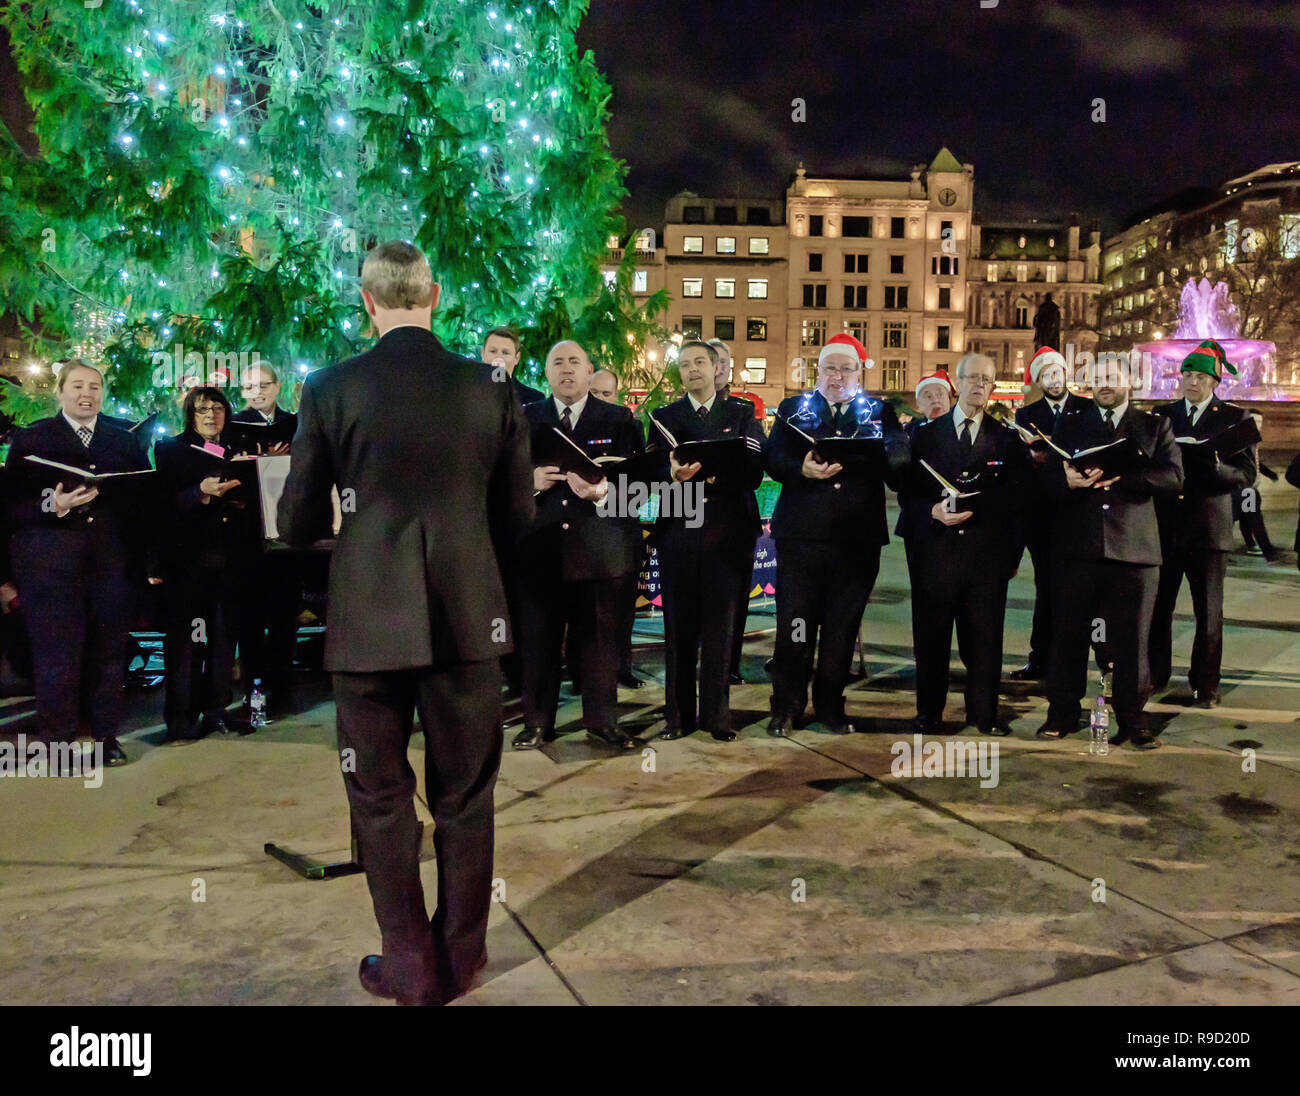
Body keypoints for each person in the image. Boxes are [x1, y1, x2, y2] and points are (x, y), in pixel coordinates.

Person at [278, 241, 534, 1007]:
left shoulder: (329, 388)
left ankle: (410, 964)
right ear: (436, 294)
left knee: (379, 797)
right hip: (467, 620)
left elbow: (293, 522)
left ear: (367, 302)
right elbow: (517, 517)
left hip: (366, 624)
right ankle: (463, 956)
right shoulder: (491, 386)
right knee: (468, 794)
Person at [3, 360, 151, 768]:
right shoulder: (33, 438)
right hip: (50, 567)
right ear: (60, 391)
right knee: (57, 656)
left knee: (108, 653)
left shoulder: (123, 439)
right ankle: (58, 741)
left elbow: (141, 506)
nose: (87, 394)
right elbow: (10, 506)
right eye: (78, 386)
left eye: (95, 387)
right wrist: (55, 504)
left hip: (109, 563)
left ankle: (106, 737)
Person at [764, 332, 909, 736]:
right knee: (794, 627)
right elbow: (774, 458)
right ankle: (787, 706)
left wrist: (899, 456)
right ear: (818, 371)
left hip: (856, 542)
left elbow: (896, 452)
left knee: (841, 629)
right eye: (830, 368)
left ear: (859, 374)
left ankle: (831, 705)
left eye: (847, 369)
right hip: (802, 539)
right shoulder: (795, 409)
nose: (838, 376)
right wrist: (800, 470)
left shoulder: (879, 412)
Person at [1035, 356, 1183, 749]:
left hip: (1134, 551)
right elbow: (1045, 485)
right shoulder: (1068, 425)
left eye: (1110, 378)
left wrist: (1126, 478)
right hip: (1076, 549)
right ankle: (1061, 713)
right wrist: (1064, 480)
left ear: (1129, 382)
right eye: (1096, 378)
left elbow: (1173, 476)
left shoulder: (1154, 425)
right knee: (1066, 636)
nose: (1103, 384)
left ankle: (1133, 721)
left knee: (1133, 642)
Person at [513, 341, 645, 751]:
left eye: (575, 362)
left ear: (590, 372)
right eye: (557, 362)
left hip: (599, 550)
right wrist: (527, 482)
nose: (566, 370)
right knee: (538, 641)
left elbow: (640, 492)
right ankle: (537, 722)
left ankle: (602, 721)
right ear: (546, 373)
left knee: (600, 642)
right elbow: (494, 478)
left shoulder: (620, 420)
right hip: (540, 548)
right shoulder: (523, 419)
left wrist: (602, 495)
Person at [899, 354, 1028, 736]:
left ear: (992, 386)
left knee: (985, 640)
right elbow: (906, 491)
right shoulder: (924, 434)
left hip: (985, 559)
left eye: (986, 380)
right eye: (972, 378)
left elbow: (1019, 503)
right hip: (934, 552)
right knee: (931, 637)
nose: (979, 385)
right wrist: (932, 512)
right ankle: (929, 712)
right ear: (958, 382)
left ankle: (983, 714)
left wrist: (1012, 556)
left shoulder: (1006, 439)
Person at [648, 341, 764, 742]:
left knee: (721, 628)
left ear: (717, 369)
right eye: (684, 364)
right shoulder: (663, 417)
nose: (692, 369)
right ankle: (677, 717)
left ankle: (718, 717)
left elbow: (754, 470)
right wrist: (670, 475)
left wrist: (713, 476)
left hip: (728, 533)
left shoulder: (741, 413)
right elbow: (648, 473)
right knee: (678, 629)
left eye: (700, 362)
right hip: (679, 532)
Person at [1149, 340, 1258, 708]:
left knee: (1209, 612)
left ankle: (1206, 683)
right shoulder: (1161, 416)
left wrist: (1218, 470)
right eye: (1187, 374)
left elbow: (1247, 474)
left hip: (1209, 529)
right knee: (1158, 607)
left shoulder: (1235, 419)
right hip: (1166, 526)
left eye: (1200, 376)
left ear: (1215, 382)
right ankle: (1155, 674)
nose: (1191, 381)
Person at [153, 386, 259, 740]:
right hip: (188, 563)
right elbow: (162, 507)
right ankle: (180, 720)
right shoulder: (171, 450)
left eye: (217, 408)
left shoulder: (238, 450)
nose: (211, 415)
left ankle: (216, 711)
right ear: (190, 415)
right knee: (184, 645)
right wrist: (200, 493)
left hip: (230, 562)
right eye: (202, 410)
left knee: (222, 642)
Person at [1011, 347, 1094, 681]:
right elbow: (1019, 465)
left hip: (1080, 512)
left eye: (1057, 373)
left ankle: (1087, 658)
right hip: (1043, 514)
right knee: (1045, 588)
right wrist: (1031, 458)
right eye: (1046, 375)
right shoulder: (1026, 414)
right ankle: (1041, 658)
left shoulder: (1087, 408)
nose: (1054, 380)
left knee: (1081, 590)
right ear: (1039, 380)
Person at [231, 363, 301, 717]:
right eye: (249, 386)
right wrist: (257, 462)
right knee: (250, 619)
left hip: (285, 536)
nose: (257, 391)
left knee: (284, 617)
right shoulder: (232, 426)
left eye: (263, 385)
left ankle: (283, 690)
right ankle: (253, 692)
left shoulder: (297, 424)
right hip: (247, 534)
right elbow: (221, 467)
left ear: (278, 387)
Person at [587, 368, 643, 688]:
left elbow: (642, 477)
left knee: (623, 607)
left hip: (622, 525)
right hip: (587, 530)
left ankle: (623, 666)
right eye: (595, 393)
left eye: (607, 394)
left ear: (617, 395)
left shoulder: (629, 426)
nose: (601, 400)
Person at [482, 326, 544, 406]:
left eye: (505, 353)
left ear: (517, 358)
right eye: (493, 351)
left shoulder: (534, 399)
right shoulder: (466, 393)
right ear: (483, 354)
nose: (499, 357)